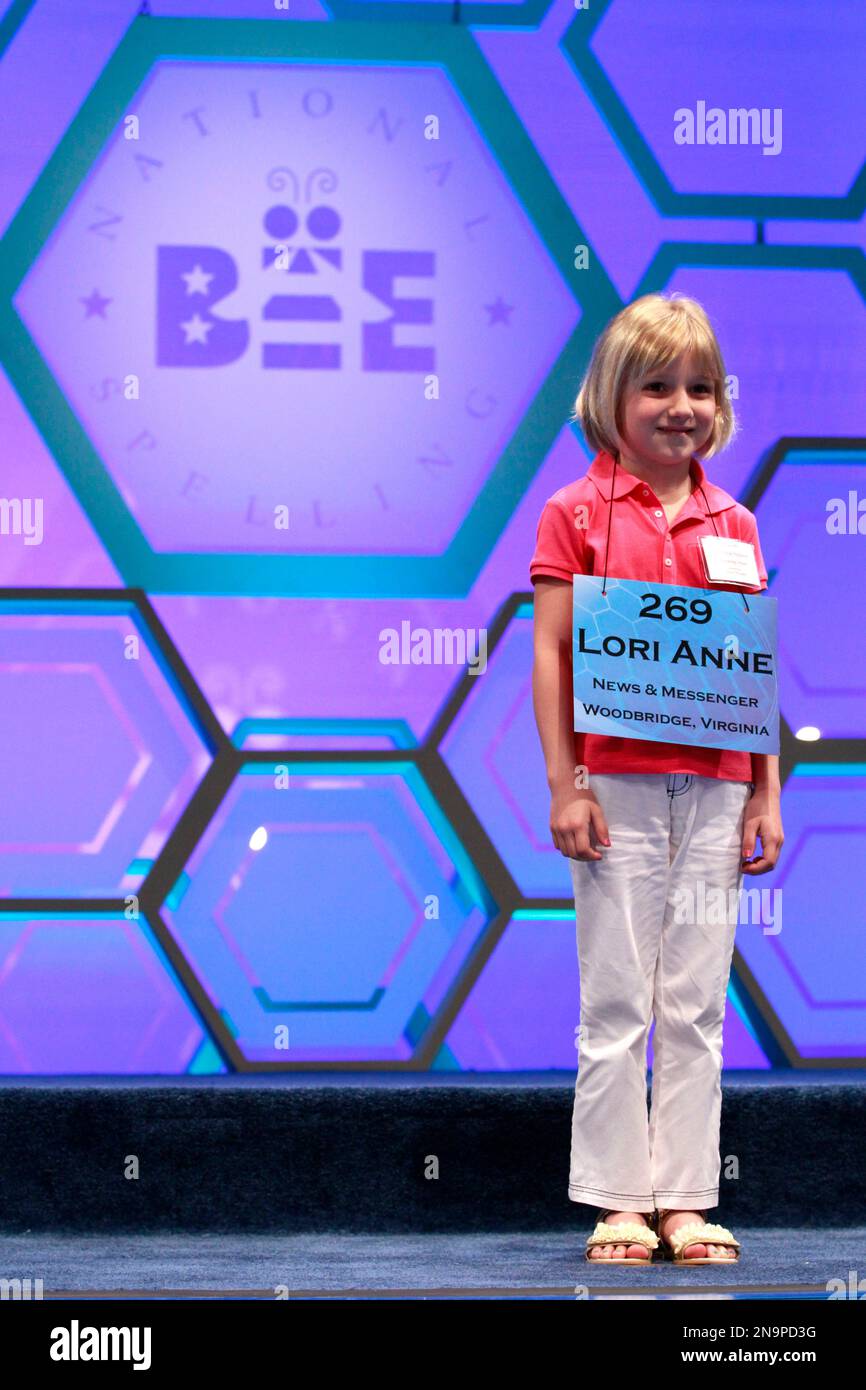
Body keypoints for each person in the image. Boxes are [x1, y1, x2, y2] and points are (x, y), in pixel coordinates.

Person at [530, 292, 784, 1265]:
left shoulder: (737, 523)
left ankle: (683, 1197)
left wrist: (766, 791)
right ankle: (613, 1201)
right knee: (613, 1000)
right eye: (656, 386)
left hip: (717, 789)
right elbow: (551, 653)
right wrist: (564, 782)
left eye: (699, 387)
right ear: (610, 397)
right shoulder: (574, 512)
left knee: (692, 1002)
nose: (680, 405)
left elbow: (748, 664)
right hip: (618, 787)